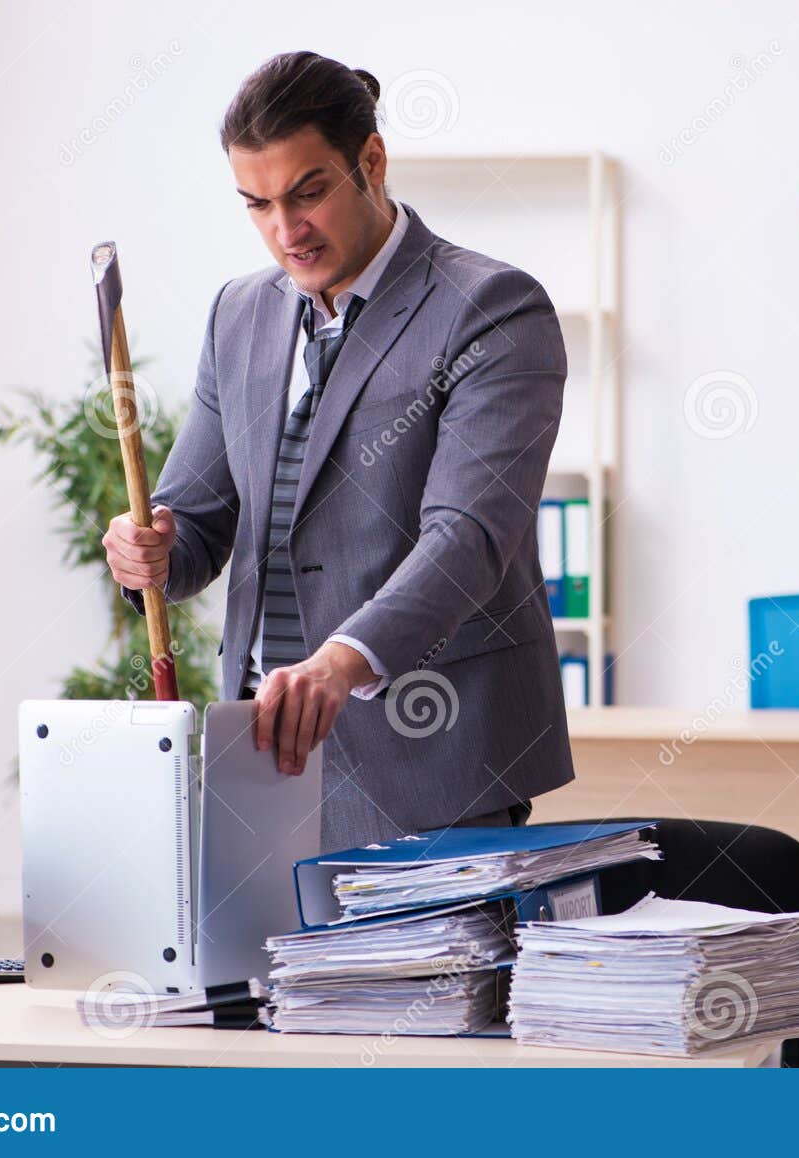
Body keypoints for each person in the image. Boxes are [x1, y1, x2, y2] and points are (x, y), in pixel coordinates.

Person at [102, 51, 573, 850]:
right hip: (260, 752)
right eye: (257, 204)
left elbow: (469, 538)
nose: (286, 231)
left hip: (434, 757)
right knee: (258, 981)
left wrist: (342, 662)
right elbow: (198, 522)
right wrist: (149, 546)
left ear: (372, 162)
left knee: (424, 981)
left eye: (308, 193)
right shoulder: (239, 314)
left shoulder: (490, 308)